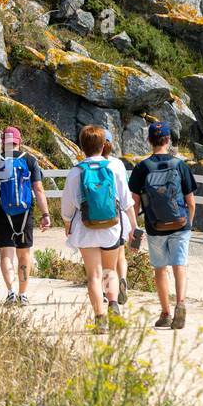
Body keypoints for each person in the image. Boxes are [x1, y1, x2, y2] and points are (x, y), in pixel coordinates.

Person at [61, 124, 136, 332]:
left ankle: (100, 319)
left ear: (82, 147)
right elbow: (126, 200)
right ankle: (113, 304)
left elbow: (67, 204)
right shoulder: (112, 168)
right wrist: (133, 227)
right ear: (104, 146)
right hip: (111, 227)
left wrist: (67, 223)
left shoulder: (75, 172)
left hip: (85, 228)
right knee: (110, 270)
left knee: (93, 275)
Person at [128, 122, 198, 330]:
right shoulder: (180, 165)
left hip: (154, 226)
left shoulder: (142, 168)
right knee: (180, 266)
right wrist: (188, 224)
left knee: (160, 269)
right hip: (180, 224)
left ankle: (166, 313)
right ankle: (181, 304)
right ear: (168, 140)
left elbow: (134, 202)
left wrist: (135, 227)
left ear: (149, 141)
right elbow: (191, 202)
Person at [0, 126, 51, 306]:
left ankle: (11, 292)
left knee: (6, 254)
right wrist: (45, 214)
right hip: (25, 213)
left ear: (2, 142)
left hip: (2, 213)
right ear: (18, 141)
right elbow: (38, 189)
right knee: (24, 255)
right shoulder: (30, 160)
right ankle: (23, 294)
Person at [101, 129, 134, 305]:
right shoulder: (118, 164)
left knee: (104, 260)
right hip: (119, 216)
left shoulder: (87, 164)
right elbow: (125, 194)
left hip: (96, 217)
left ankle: (108, 291)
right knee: (120, 255)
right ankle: (123, 281)